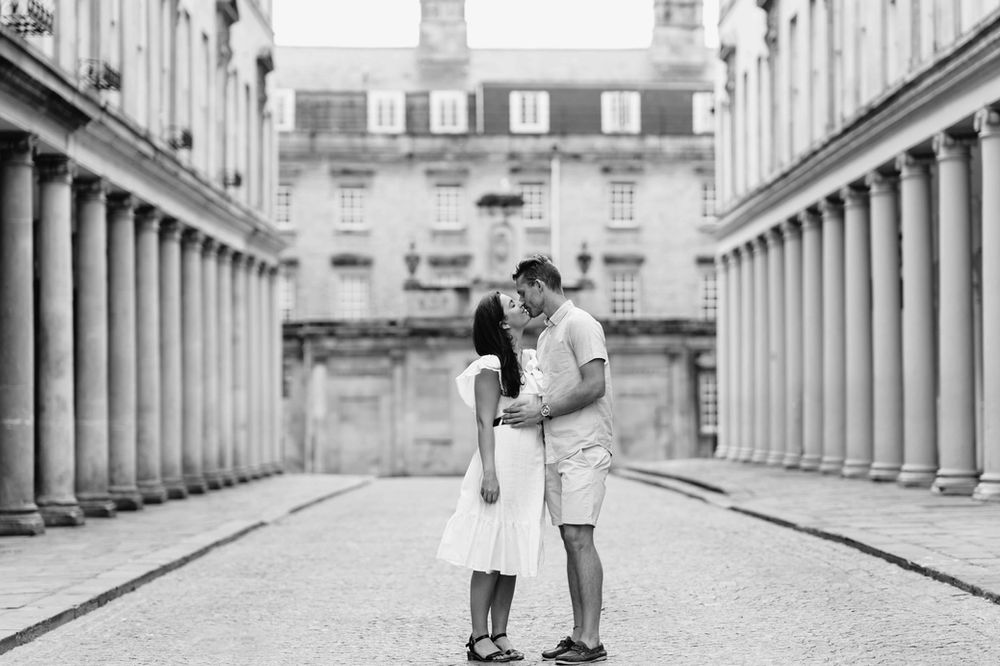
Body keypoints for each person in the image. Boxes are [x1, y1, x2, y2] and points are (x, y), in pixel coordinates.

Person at [503, 255, 613, 665]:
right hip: (558, 449)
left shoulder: (581, 324)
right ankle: (578, 632)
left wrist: (542, 411)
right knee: (571, 540)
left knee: (581, 538)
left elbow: (595, 386)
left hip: (584, 447)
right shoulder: (548, 336)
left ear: (539, 285)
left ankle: (592, 640)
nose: (521, 301)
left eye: (521, 292)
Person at [436, 291, 546, 663]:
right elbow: (484, 422)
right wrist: (490, 473)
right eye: (511, 305)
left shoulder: (530, 361)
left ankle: (500, 632)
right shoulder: (489, 365)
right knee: (488, 553)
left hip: (527, 464)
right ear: (502, 322)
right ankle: (478, 636)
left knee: (510, 553)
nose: (519, 304)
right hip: (500, 459)